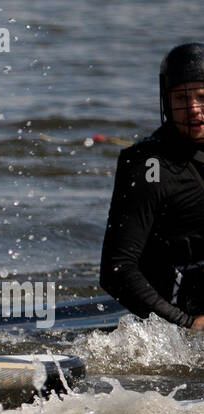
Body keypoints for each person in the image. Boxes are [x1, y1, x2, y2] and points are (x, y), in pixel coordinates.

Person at [100, 42, 204, 331]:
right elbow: (117, 269)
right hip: (181, 311)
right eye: (182, 99)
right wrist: (188, 325)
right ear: (167, 103)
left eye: (202, 97)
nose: (194, 110)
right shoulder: (150, 165)